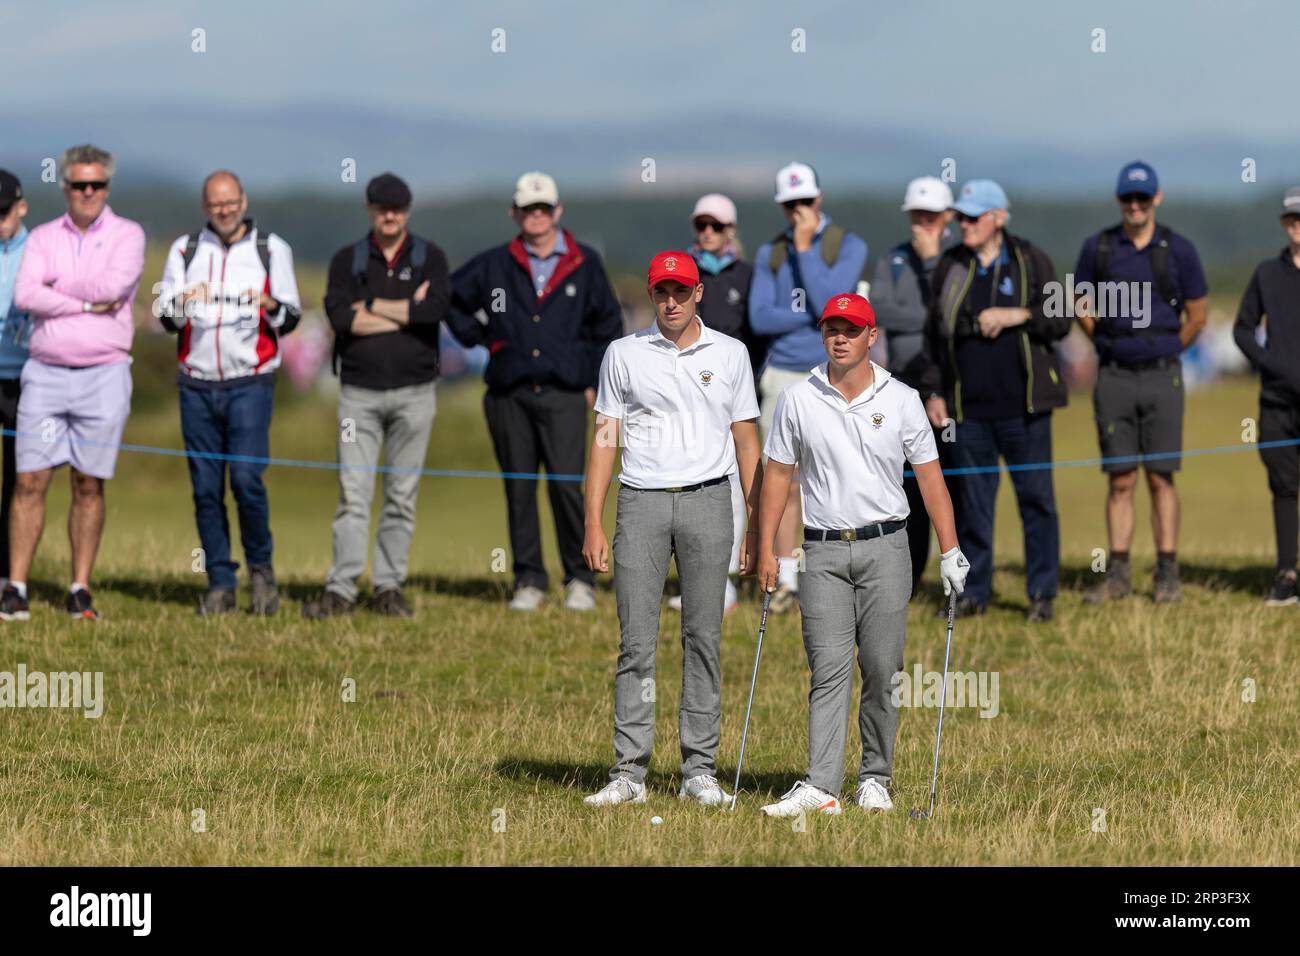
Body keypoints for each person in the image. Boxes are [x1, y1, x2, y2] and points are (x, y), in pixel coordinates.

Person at [756, 293, 968, 817]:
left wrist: (951, 551)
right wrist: (766, 550)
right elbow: (778, 475)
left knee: (880, 667)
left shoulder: (902, 399)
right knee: (827, 668)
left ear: (872, 336)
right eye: (832, 329)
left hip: (887, 548)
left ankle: (875, 776)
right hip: (823, 551)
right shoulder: (798, 398)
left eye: (851, 329)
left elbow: (931, 479)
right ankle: (821, 785)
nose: (840, 337)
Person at [581, 251, 763, 807]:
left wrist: (757, 525)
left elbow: (747, 441)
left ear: (699, 292)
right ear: (652, 293)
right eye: (662, 292)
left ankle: (698, 771)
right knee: (636, 642)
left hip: (711, 502)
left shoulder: (731, 354)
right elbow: (606, 438)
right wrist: (592, 519)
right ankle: (629, 773)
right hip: (640, 502)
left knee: (703, 637)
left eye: (681, 291)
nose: (671, 302)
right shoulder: (623, 354)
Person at [447, 172, 622, 613]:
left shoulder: (584, 263)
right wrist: (483, 336)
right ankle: (528, 578)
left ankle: (579, 577)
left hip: (565, 394)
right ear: (515, 213)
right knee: (519, 487)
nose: (537, 216)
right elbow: (451, 297)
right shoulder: (494, 264)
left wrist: (591, 381)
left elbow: (608, 328)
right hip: (509, 393)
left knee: (566, 487)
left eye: (544, 208)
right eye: (529, 209)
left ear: (557, 211)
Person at [2, 144, 144, 622]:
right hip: (45, 373)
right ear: (64, 187)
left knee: (88, 483)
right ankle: (16, 586)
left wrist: (57, 290)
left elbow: (113, 288)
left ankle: (79, 588)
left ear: (107, 187)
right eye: (79, 184)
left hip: (104, 374)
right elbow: (26, 294)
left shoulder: (129, 235)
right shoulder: (42, 237)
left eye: (97, 184)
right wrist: (83, 305)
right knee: (29, 480)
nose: (88, 192)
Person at [919, 179, 1068, 622]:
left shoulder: (1030, 260)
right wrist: (933, 391)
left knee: (1037, 502)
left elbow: (1060, 319)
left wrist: (1016, 314)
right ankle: (972, 591)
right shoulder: (951, 265)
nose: (963, 224)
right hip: (968, 412)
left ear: (998, 218)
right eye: (960, 217)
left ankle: (1042, 595)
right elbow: (932, 337)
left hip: (1025, 409)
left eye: (973, 217)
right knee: (972, 504)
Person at [304, 173, 450, 619]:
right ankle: (342, 587)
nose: (391, 215)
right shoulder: (347, 260)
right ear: (370, 209)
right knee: (354, 492)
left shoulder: (431, 257)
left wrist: (372, 308)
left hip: (416, 392)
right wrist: (406, 311)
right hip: (358, 394)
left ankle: (389, 586)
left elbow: (435, 311)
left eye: (399, 208)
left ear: (407, 210)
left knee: (402, 495)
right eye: (383, 208)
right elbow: (341, 319)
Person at [159, 170, 301, 616]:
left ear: (244, 200)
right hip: (196, 383)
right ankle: (220, 582)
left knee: (245, 479)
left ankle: (261, 571)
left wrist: (269, 304)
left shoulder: (270, 249)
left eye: (231, 202)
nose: (225, 210)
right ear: (206, 207)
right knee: (205, 489)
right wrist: (182, 302)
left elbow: (291, 316)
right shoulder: (184, 251)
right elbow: (167, 319)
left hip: (250, 381)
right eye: (216, 204)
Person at [1074, 161, 1209, 604]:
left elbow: (1199, 314)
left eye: (1143, 198)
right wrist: (1107, 341)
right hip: (1113, 377)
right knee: (1120, 480)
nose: (1135, 206)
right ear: (1118, 201)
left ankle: (1167, 573)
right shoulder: (1099, 248)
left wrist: (1167, 348)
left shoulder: (1180, 250)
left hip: (1162, 377)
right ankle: (1117, 575)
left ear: (1157, 199)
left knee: (1161, 478)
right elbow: (1078, 303)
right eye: (1128, 199)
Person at [749, 162, 868, 613]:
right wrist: (814, 315)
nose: (798, 211)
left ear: (819, 199)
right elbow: (761, 317)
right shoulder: (770, 252)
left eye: (804, 201)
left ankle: (840, 570)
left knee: (838, 472)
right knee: (784, 478)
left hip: (831, 372)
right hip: (781, 373)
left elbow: (830, 305)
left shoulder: (848, 245)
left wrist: (805, 252)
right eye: (790, 204)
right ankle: (785, 576)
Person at [666, 193, 758, 617]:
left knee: (732, 487)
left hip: (732, 392)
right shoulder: (682, 274)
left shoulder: (747, 275)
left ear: (731, 231)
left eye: (716, 227)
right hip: (685, 392)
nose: (707, 233)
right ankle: (696, 578)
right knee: (686, 482)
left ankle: (721, 583)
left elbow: (757, 335)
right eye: (701, 225)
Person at [870, 176, 962, 594]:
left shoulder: (960, 261)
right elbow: (881, 310)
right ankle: (910, 572)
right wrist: (927, 314)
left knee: (952, 479)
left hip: (949, 380)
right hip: (904, 380)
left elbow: (952, 316)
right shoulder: (893, 259)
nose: (920, 223)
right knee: (906, 478)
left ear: (947, 218)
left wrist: (930, 269)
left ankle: (957, 563)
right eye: (915, 215)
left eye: (929, 215)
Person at [1232, 186, 1300, 606]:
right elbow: (1242, 329)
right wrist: (1270, 363)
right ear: (1284, 225)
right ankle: (1286, 574)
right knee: (1283, 487)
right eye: (1294, 220)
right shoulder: (1266, 274)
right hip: (1277, 403)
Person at [0, 170, 31, 597]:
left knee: (18, 480)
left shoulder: (39, 250)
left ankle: (6, 571)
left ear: (21, 207)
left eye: (2, 213)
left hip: (23, 378)